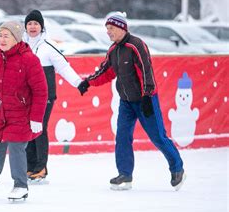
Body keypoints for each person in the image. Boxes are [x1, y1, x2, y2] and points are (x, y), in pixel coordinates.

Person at [77, 12, 186, 191]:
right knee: (122, 137)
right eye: (107, 29)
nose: (108, 32)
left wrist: (147, 96)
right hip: (126, 102)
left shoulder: (136, 45)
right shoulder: (113, 50)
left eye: (111, 28)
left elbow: (146, 71)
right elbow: (105, 72)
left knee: (158, 136)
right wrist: (88, 82)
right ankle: (125, 174)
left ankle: (177, 168)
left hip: (145, 99)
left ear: (121, 27)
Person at [0, 20, 48, 201]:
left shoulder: (29, 59)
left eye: (7, 36)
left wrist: (37, 118)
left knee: (16, 147)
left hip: (21, 113)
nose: (2, 39)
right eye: (0, 35)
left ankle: (20, 185)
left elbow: (41, 90)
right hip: (1, 113)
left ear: (16, 38)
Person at [23, 10, 83, 182]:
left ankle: (41, 168)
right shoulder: (22, 46)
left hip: (45, 95)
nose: (33, 27)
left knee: (39, 127)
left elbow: (64, 67)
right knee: (28, 129)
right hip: (27, 96)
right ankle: (30, 166)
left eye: (36, 24)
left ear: (41, 27)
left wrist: (79, 83)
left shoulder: (48, 46)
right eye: (30, 24)